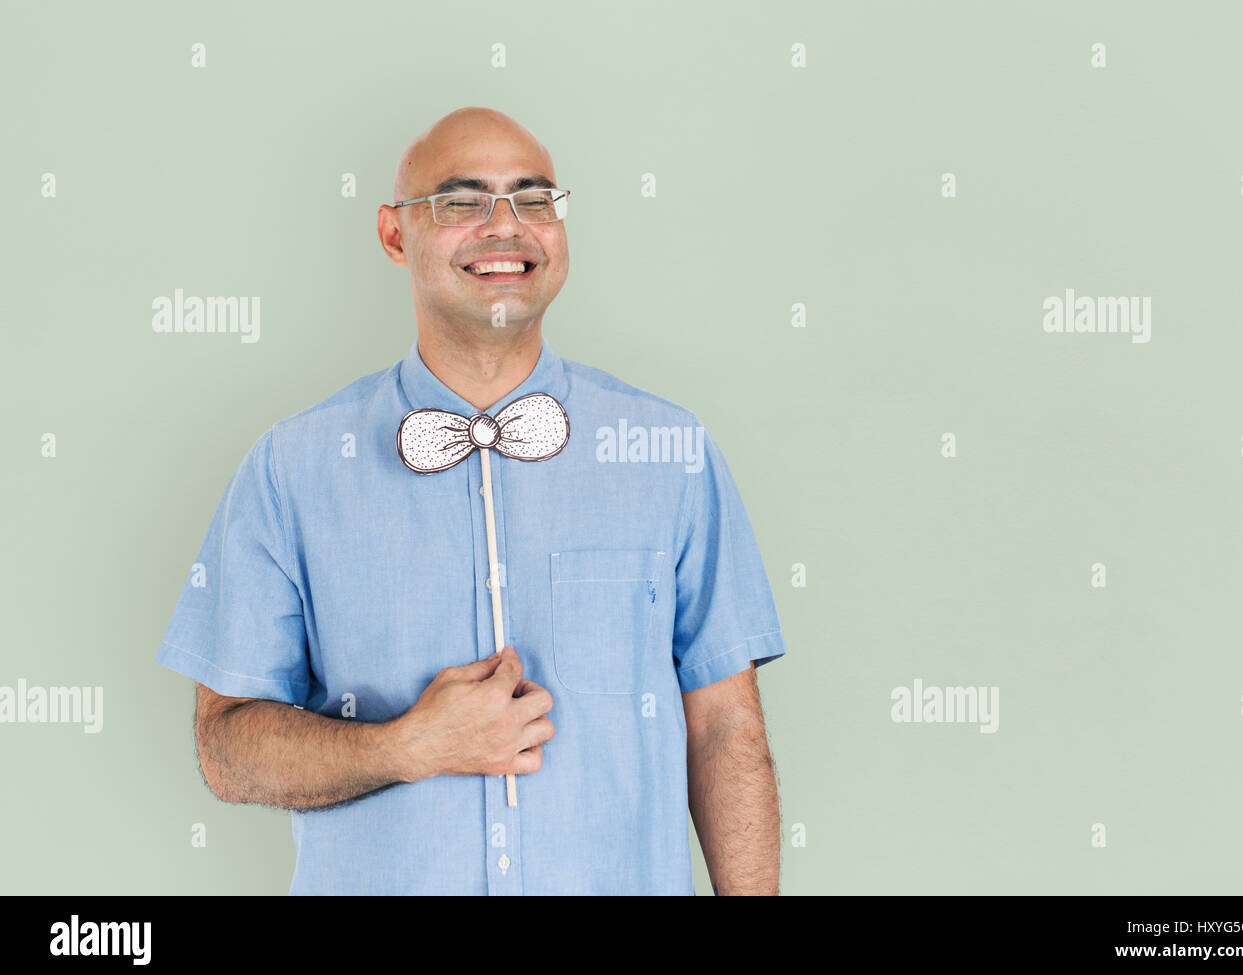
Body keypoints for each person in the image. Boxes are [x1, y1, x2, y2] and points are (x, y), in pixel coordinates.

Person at [155, 106, 787, 895]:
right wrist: (407, 745)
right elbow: (227, 747)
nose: (506, 226)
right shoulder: (291, 469)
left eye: (533, 199)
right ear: (394, 235)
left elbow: (725, 729)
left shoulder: (669, 452)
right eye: (462, 201)